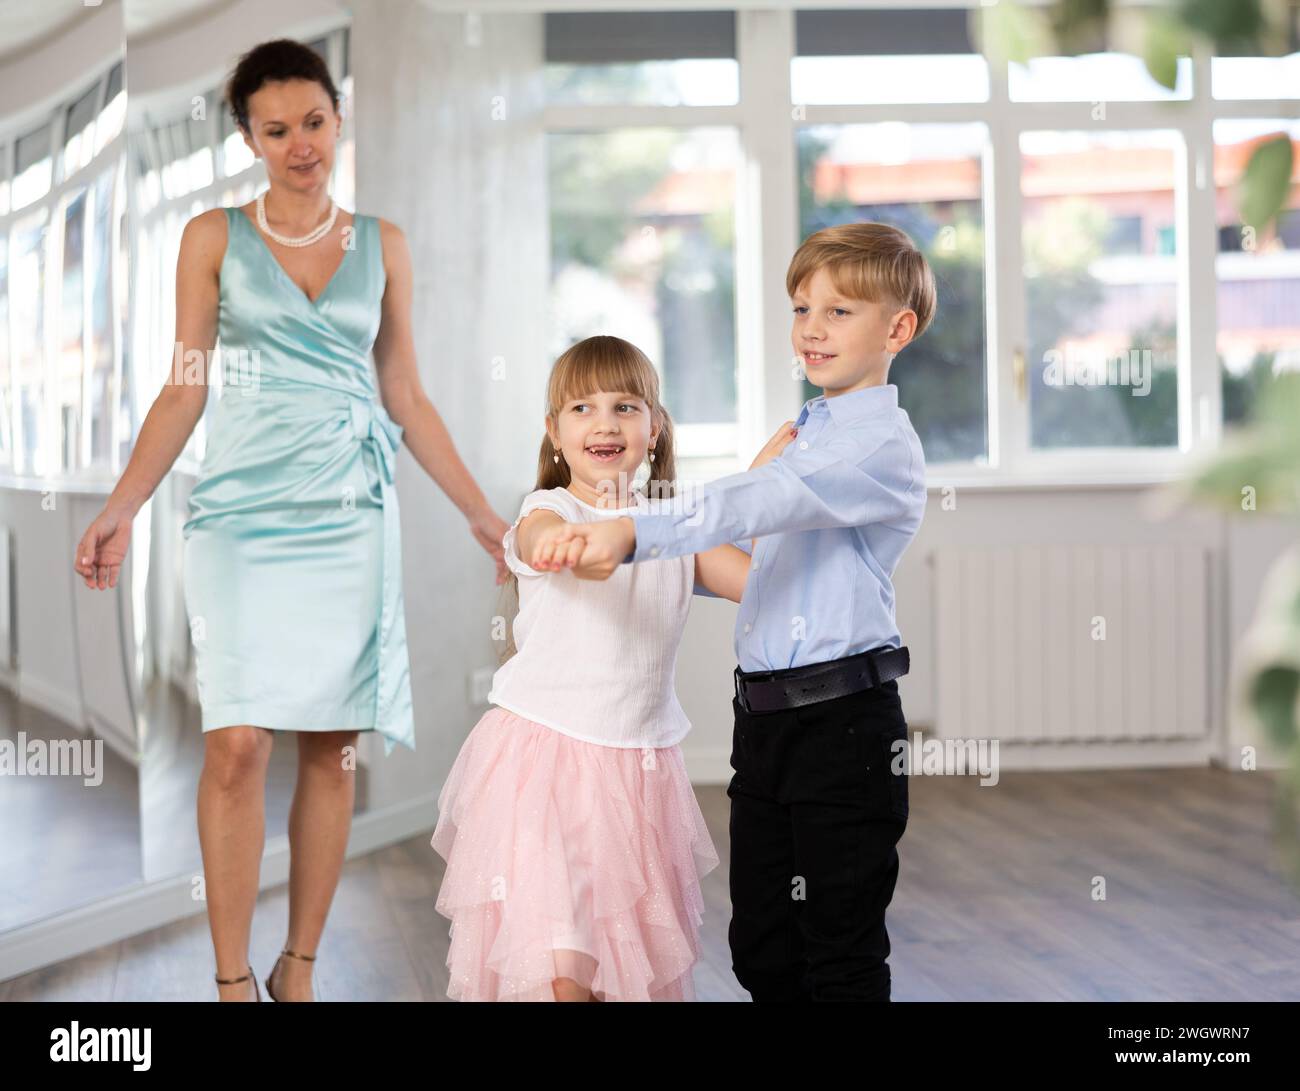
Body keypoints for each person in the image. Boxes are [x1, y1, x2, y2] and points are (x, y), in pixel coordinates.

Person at [72, 38, 510, 1002]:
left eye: (314, 121)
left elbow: (407, 393)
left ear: (336, 117)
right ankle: (230, 979)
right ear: (248, 138)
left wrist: (483, 513)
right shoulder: (212, 238)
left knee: (332, 746)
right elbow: (184, 390)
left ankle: (298, 965)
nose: (301, 144)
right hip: (239, 516)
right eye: (277, 130)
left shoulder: (384, 242)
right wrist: (121, 506)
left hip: (349, 516)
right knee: (236, 741)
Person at [545, 223, 935, 1001]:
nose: (812, 330)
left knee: (839, 949)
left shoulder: (874, 446)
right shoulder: (808, 433)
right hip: (765, 724)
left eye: (839, 311)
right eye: (801, 309)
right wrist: (611, 546)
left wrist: (630, 530)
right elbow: (750, 562)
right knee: (763, 948)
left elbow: (759, 500)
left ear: (897, 329)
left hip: (843, 725)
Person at [430, 335, 757, 1001]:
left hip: (637, 774)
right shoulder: (551, 511)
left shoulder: (673, 528)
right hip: (542, 766)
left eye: (625, 406)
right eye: (581, 407)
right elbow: (534, 534)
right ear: (553, 432)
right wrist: (555, 544)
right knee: (561, 964)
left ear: (654, 427)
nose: (604, 422)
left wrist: (768, 494)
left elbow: (754, 581)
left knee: (622, 963)